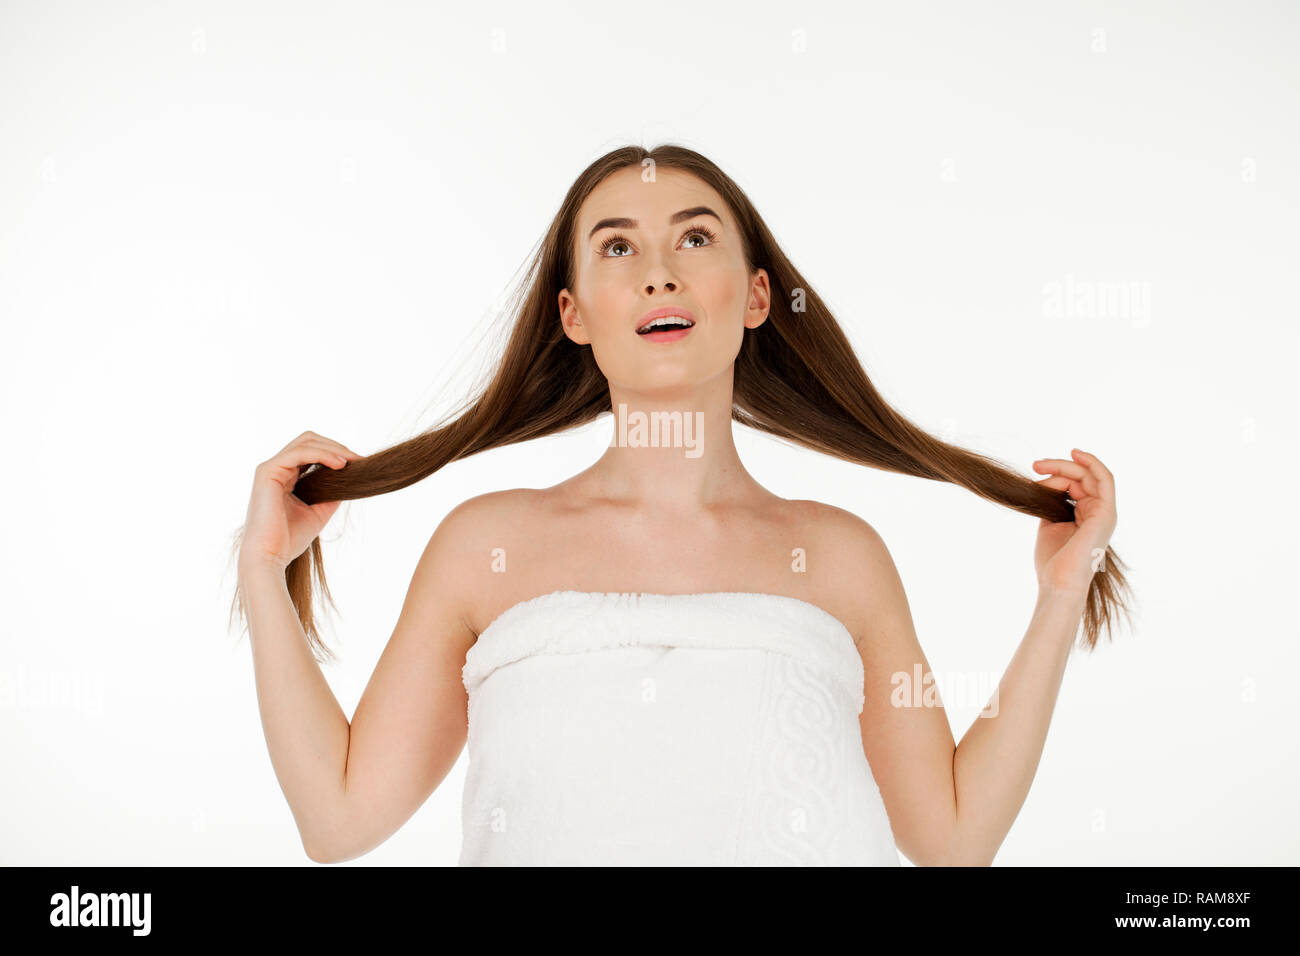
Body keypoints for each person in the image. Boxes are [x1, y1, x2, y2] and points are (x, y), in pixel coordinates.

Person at [232, 144, 1131, 866]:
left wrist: (1060, 597)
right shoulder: (484, 547)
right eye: (618, 247)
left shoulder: (842, 556)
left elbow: (953, 839)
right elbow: (338, 821)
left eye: (695, 239)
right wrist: (264, 572)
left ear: (754, 297)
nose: (658, 273)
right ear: (575, 313)